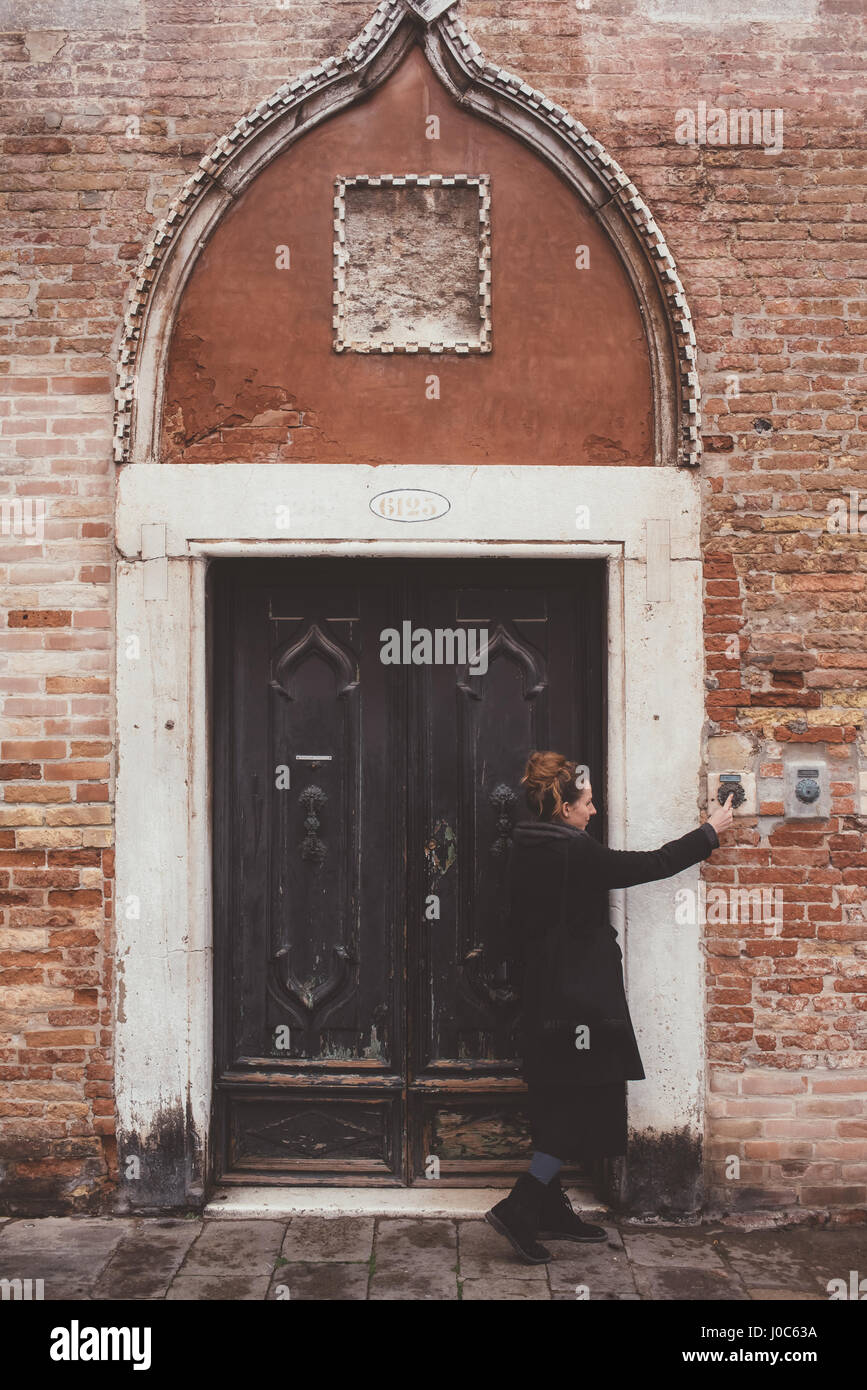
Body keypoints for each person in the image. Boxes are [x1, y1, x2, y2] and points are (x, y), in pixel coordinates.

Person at [485, 751, 735, 1264]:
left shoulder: (528, 845)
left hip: (546, 992)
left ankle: (550, 1209)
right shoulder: (573, 852)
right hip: (576, 998)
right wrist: (709, 831)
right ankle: (522, 1204)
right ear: (564, 805)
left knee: (560, 1095)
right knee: (578, 1100)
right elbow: (650, 865)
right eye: (588, 802)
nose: (594, 811)